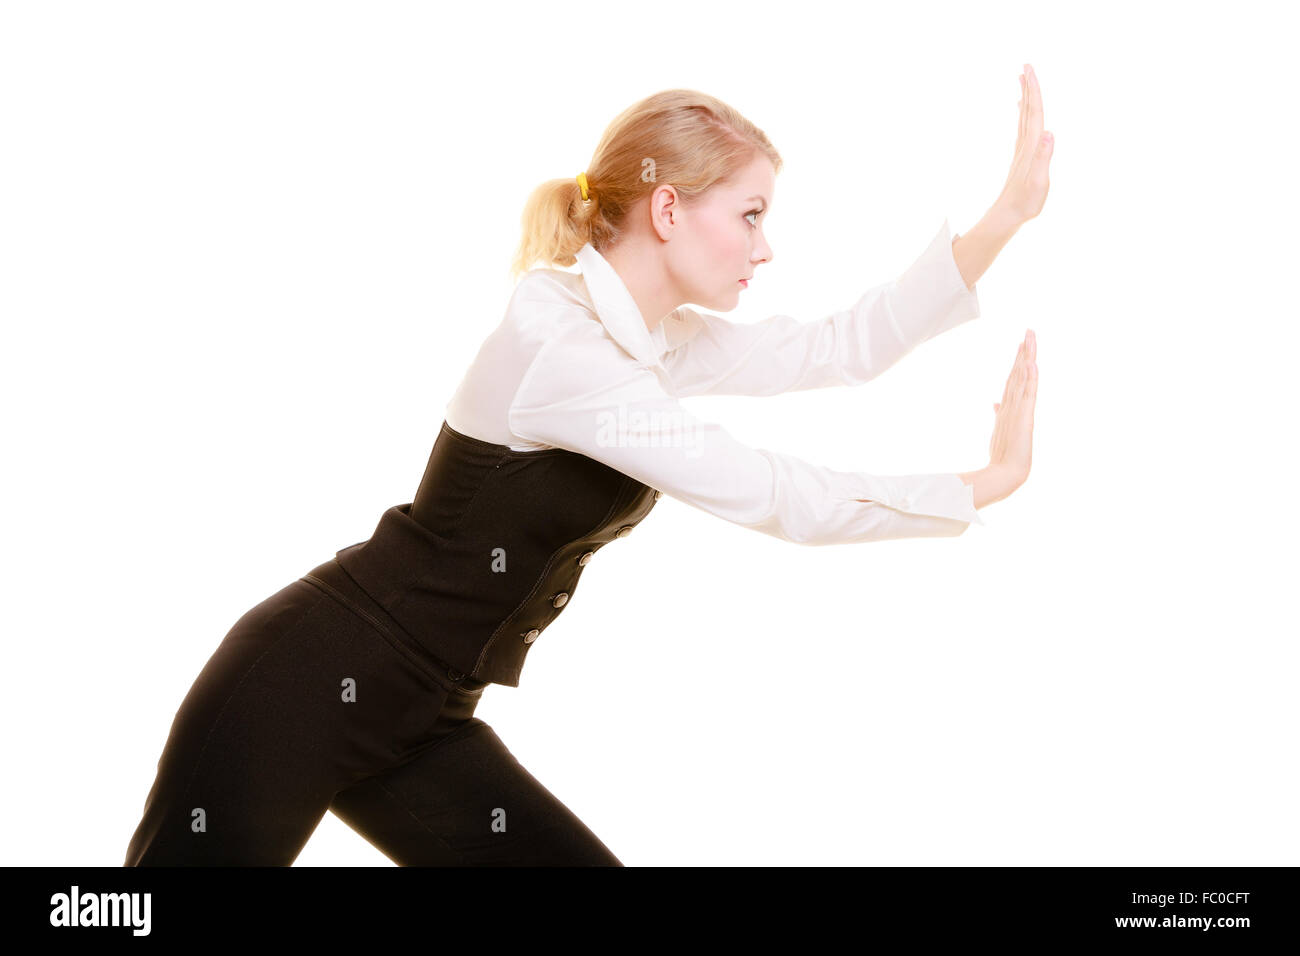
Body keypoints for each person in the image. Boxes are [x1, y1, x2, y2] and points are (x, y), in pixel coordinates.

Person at [124, 71, 1051, 866]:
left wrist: (1003, 218)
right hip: (306, 683)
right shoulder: (560, 345)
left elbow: (832, 347)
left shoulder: (646, 340)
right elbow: (773, 493)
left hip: (421, 716)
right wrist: (977, 486)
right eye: (753, 216)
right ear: (668, 206)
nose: (767, 247)